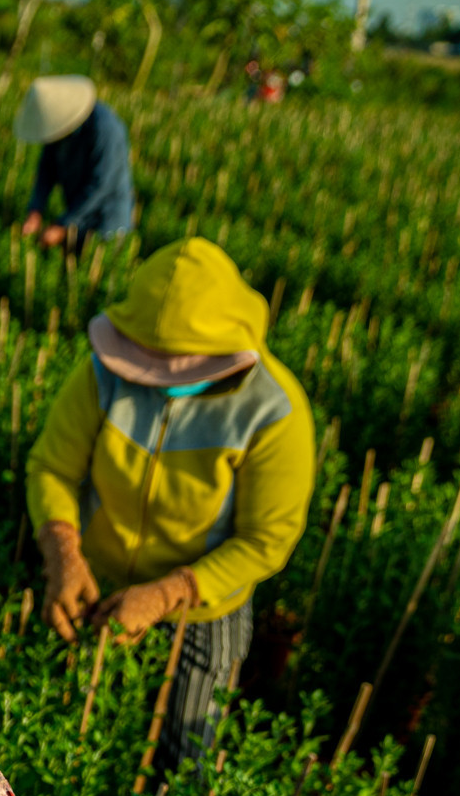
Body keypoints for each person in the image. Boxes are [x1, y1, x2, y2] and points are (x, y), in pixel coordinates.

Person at [27, 236, 315, 768]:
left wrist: (170, 593)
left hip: (205, 608)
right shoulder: (100, 373)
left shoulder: (274, 413)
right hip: (97, 583)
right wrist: (63, 553)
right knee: (75, 736)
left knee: (186, 751)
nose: (156, 378)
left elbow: (266, 541)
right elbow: (53, 467)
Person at [15, 75, 134, 250]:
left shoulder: (106, 129)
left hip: (107, 219)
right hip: (76, 211)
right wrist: (36, 209)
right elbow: (46, 169)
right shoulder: (56, 129)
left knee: (97, 265)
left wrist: (63, 224)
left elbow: (100, 185)